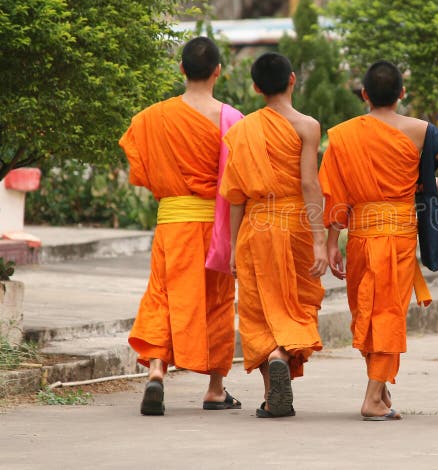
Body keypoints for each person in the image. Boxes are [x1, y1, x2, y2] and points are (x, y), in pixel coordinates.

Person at [319, 61, 438, 420]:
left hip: (359, 235)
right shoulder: (422, 131)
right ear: (402, 94)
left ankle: (378, 388)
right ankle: (374, 397)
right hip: (399, 235)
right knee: (387, 313)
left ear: (365, 96)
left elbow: (335, 196)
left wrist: (329, 245)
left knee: (367, 313)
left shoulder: (343, 135)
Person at [120, 37, 241, 416]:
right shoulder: (232, 119)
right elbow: (241, 181)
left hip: (173, 223)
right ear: (218, 71)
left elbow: (139, 173)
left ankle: (157, 370)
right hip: (217, 226)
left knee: (162, 296)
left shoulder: (151, 117)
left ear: (182, 69)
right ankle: (215, 388)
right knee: (218, 302)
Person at [220, 53, 328, 418]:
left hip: (257, 225)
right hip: (296, 221)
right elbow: (311, 184)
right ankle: (284, 353)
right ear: (293, 79)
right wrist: (319, 239)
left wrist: (234, 247)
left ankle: (272, 396)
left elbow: (235, 197)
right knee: (296, 303)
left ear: (255, 87)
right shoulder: (307, 126)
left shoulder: (243, 131)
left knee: (260, 310)